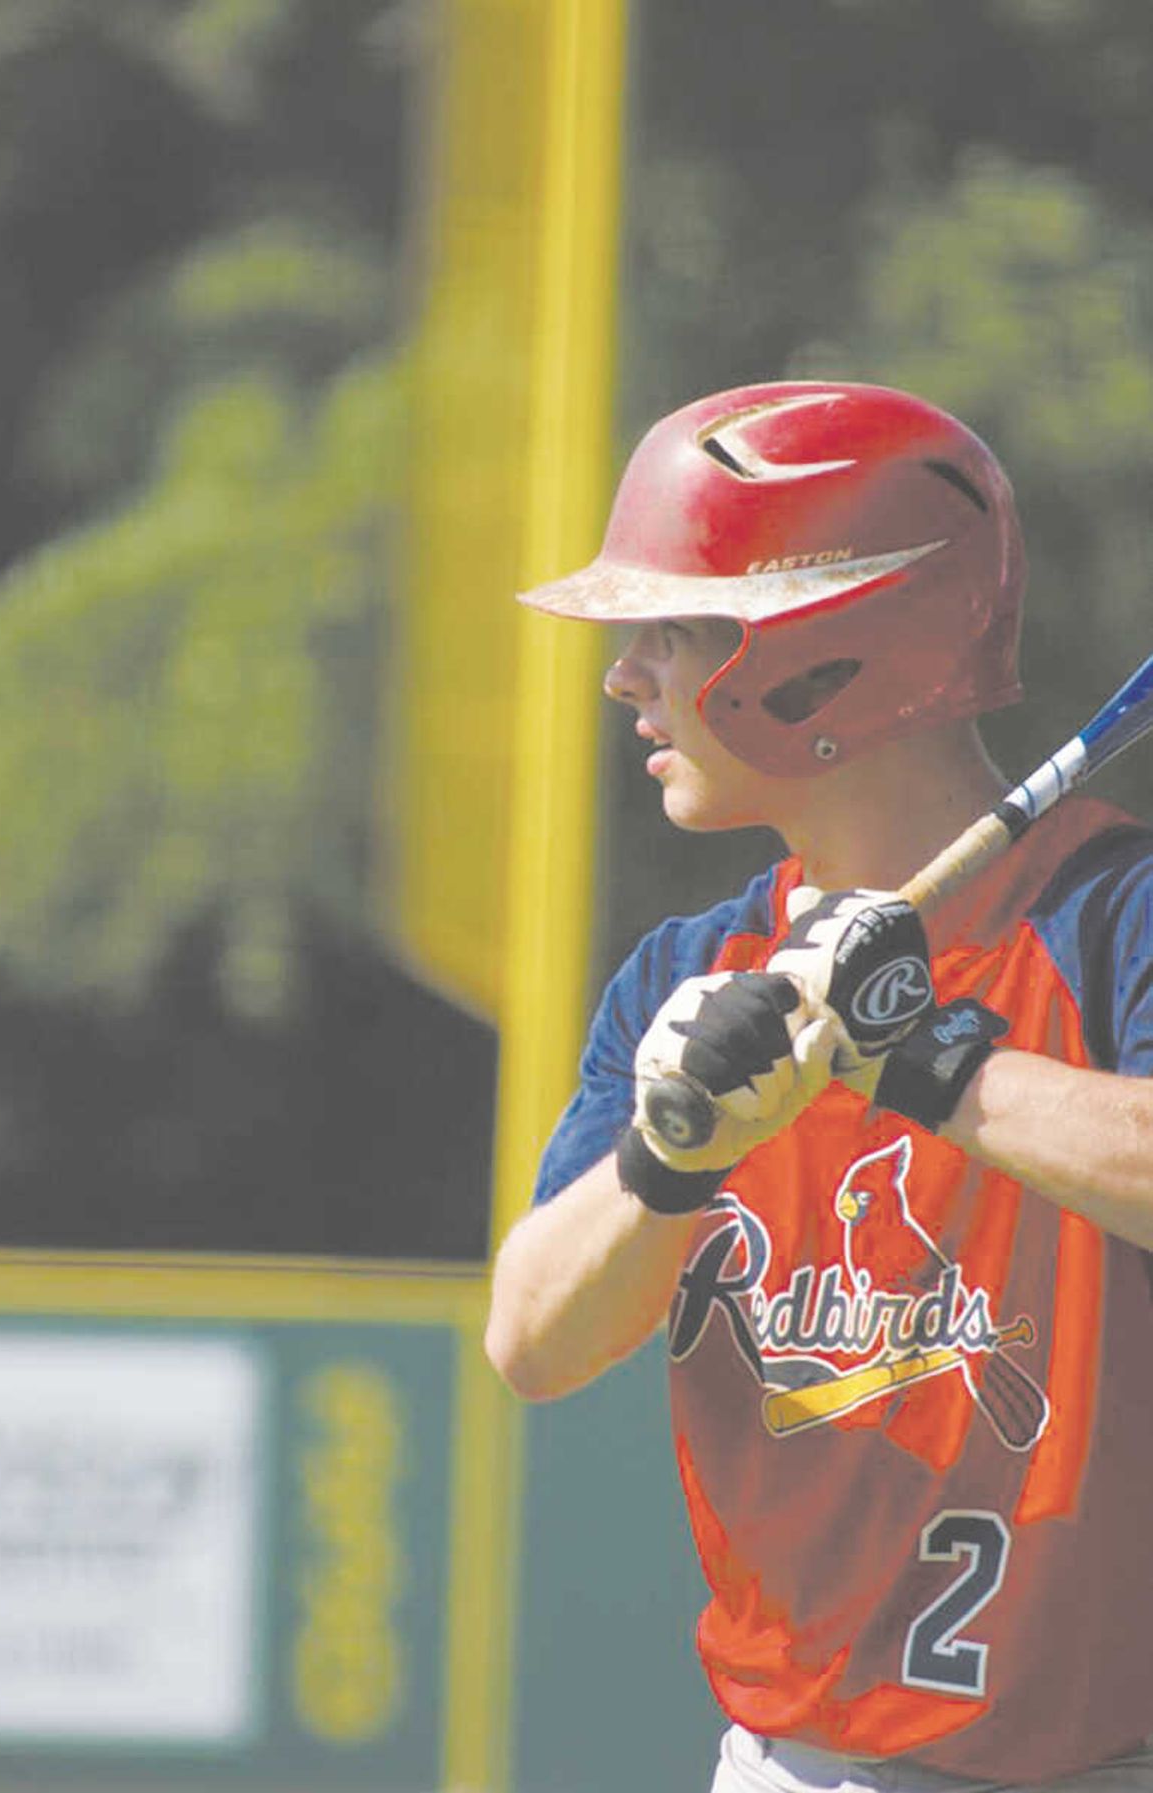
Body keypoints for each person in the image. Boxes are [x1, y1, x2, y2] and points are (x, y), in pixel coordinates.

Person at [484, 381, 1153, 1793]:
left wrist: (930, 1061)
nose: (625, 678)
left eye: (676, 629)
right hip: (790, 1768)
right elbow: (533, 1337)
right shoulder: (693, 970)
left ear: (822, 653)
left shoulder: (1112, 915)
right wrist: (669, 1158)